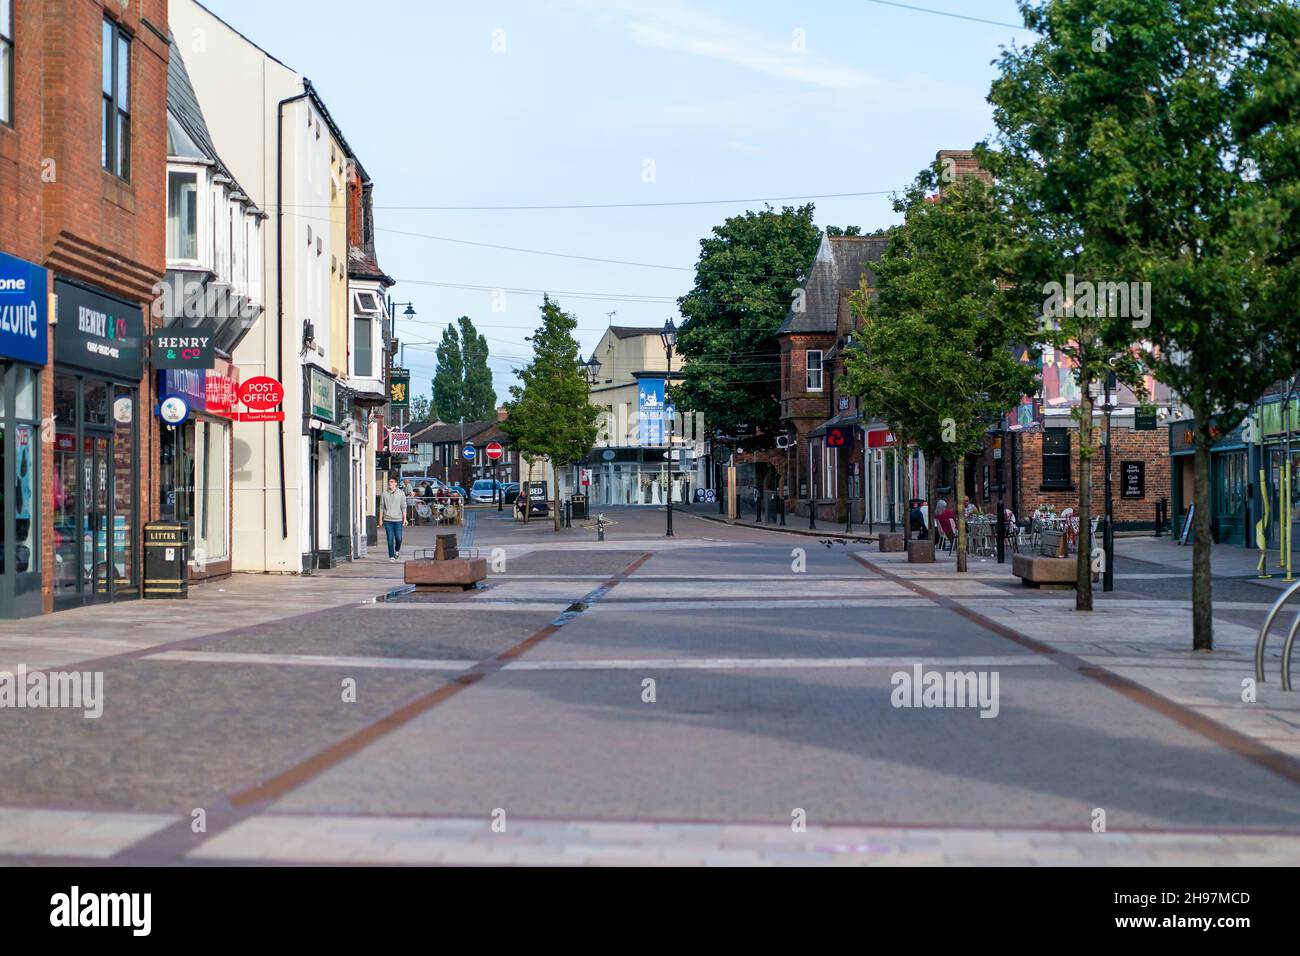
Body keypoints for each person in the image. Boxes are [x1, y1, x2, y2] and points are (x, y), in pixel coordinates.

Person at [380, 477, 408, 562]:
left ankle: (397, 550)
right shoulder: (384, 494)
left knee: (399, 538)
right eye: (389, 482)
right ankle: (391, 556)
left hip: (398, 520)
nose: (390, 483)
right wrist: (380, 520)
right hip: (388, 520)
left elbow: (404, 507)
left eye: (392, 482)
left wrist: (405, 519)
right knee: (390, 538)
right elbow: (381, 507)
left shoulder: (401, 493)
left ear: (396, 483)